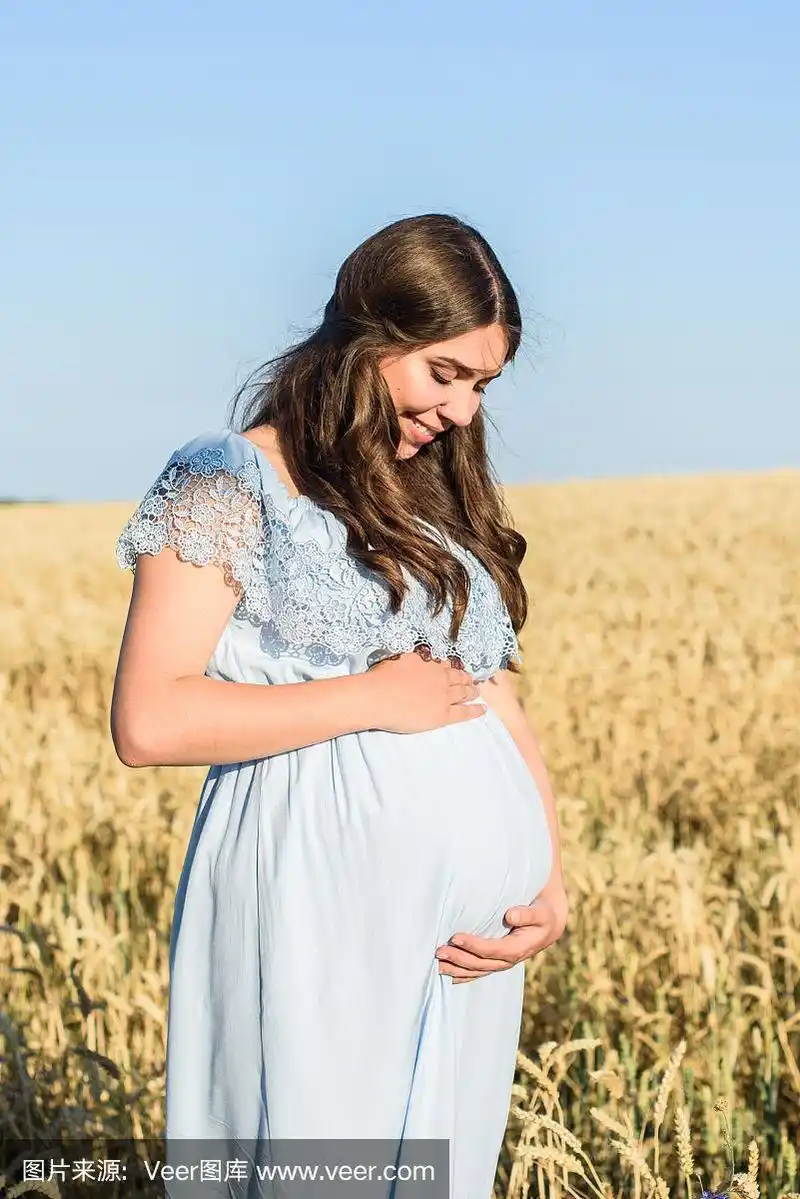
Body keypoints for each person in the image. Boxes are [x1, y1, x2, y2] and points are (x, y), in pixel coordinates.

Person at [111, 212, 568, 1199]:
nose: (460, 410)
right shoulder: (222, 478)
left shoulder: (427, 505)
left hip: (463, 957)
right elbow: (149, 720)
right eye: (444, 372)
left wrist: (548, 880)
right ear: (365, 336)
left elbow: (486, 691)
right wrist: (368, 697)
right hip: (314, 901)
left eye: (481, 385)